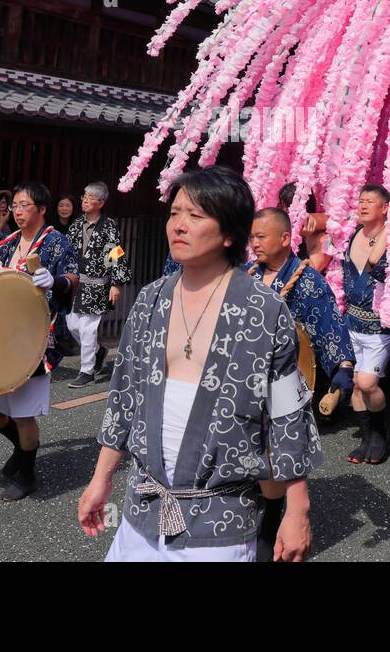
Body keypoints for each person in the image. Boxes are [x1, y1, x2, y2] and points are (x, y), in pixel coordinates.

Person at [79, 166, 321, 562]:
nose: (178, 225)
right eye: (175, 213)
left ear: (229, 233)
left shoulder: (264, 310)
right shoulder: (151, 300)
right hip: (143, 507)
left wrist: (297, 510)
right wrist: (100, 479)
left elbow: (288, 413)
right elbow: (123, 397)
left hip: (219, 523)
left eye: (195, 215)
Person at [248, 206, 355, 559]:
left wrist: (341, 368)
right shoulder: (245, 275)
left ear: (284, 238)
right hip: (243, 383)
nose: (254, 243)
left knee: (275, 457)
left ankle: (268, 532)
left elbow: (327, 324)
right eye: (251, 237)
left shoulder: (307, 280)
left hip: (286, 381)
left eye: (260, 236)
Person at [0, 181, 79, 502]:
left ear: (42, 209)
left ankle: (27, 473)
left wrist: (55, 281)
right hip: (2, 337)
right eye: (14, 205)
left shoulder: (56, 242)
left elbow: (74, 277)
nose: (16, 211)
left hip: (36, 340)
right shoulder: (10, 241)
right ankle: (22, 447)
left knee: (23, 412)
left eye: (24, 205)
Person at [342, 184, 390, 466]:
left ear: (385, 207)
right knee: (355, 384)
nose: (362, 205)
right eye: (360, 200)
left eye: (370, 202)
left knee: (367, 381)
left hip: (379, 324)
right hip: (351, 320)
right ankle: (366, 438)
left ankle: (380, 433)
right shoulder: (353, 235)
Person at [65, 182, 133, 388]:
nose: (84, 200)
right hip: (77, 285)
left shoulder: (108, 225)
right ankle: (98, 351)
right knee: (72, 325)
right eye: (84, 196)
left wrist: (116, 283)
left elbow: (114, 252)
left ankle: (87, 371)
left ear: (101, 203)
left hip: (97, 285)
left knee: (87, 328)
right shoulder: (77, 224)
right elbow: (68, 252)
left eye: (90, 197)